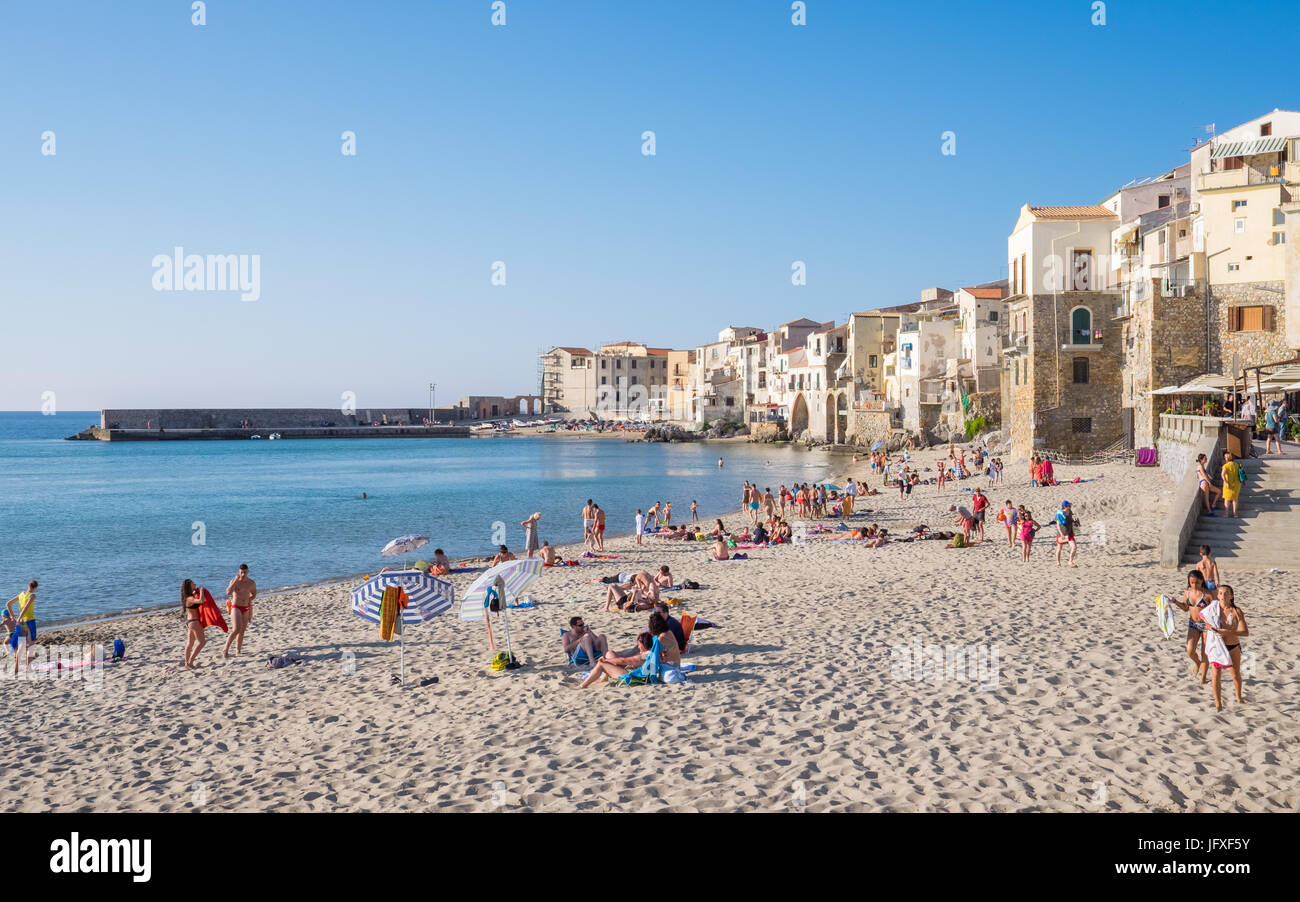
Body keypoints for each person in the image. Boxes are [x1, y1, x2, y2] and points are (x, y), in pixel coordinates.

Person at [1203, 585, 1248, 709]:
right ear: (1217, 596)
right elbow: (1205, 624)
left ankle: (1239, 697)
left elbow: (1245, 632)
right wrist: (1209, 628)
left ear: (1231, 596)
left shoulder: (1236, 611)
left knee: (1235, 675)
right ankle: (1218, 704)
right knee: (1216, 675)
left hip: (1232, 646)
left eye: (1226, 593)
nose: (1223, 596)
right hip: (1217, 647)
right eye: (1221, 593)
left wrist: (1228, 632)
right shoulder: (1212, 609)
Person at [1168, 569, 1212, 682]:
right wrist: (1175, 601)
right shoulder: (1187, 593)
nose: (1194, 585)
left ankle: (1203, 678)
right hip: (1193, 624)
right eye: (1192, 582)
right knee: (1190, 650)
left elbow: (1216, 610)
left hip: (1206, 625)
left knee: (1204, 653)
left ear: (1202, 581)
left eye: (1197, 582)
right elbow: (1185, 608)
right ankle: (1197, 663)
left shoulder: (1207, 594)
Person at [576, 631, 652, 689]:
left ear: (643, 643)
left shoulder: (644, 656)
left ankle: (582, 685)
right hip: (634, 673)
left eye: (639, 645)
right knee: (610, 653)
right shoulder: (650, 653)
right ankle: (604, 678)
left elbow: (623, 661)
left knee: (601, 664)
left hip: (632, 677)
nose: (638, 647)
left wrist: (606, 661)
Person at [223, 563, 257, 658]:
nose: (243, 574)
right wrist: (234, 581)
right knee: (236, 629)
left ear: (248, 572)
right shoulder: (235, 581)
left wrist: (250, 599)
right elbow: (228, 592)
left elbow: (254, 593)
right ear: (239, 572)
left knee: (242, 630)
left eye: (245, 572)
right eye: (241, 572)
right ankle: (225, 649)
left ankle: (238, 650)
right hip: (235, 606)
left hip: (245, 607)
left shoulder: (251, 583)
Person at [6, 580, 39, 675]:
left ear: (28, 585)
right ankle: (28, 669)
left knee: (21, 645)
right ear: (35, 587)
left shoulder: (21, 594)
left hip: (21, 623)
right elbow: (26, 608)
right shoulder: (32, 596)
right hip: (29, 622)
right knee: (31, 645)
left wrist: (13, 617)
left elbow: (8, 604)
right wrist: (18, 618)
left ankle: (16, 669)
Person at [181, 578, 206, 668]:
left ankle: (186, 662)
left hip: (190, 622)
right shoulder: (189, 598)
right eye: (193, 583)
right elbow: (201, 601)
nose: (195, 584)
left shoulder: (189, 597)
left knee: (190, 643)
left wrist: (197, 593)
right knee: (202, 642)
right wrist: (202, 591)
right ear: (189, 586)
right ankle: (190, 662)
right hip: (194, 621)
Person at [1054, 501, 1078, 567]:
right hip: (1062, 533)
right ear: (1064, 506)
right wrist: (1061, 534)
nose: (1070, 507)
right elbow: (1058, 525)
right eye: (1069, 506)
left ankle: (1070, 561)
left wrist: (1075, 523)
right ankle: (1058, 562)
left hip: (1070, 532)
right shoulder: (1059, 514)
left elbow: (1071, 520)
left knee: (1074, 547)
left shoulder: (1070, 512)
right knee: (1059, 548)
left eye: (1070, 506)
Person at [1220, 451, 1243, 518]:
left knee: (1227, 499)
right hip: (1237, 484)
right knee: (1235, 499)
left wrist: (1226, 482)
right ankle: (1235, 514)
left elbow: (1222, 475)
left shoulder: (1225, 466)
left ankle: (1226, 513)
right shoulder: (1237, 465)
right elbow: (1241, 473)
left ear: (1227, 458)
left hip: (1228, 484)